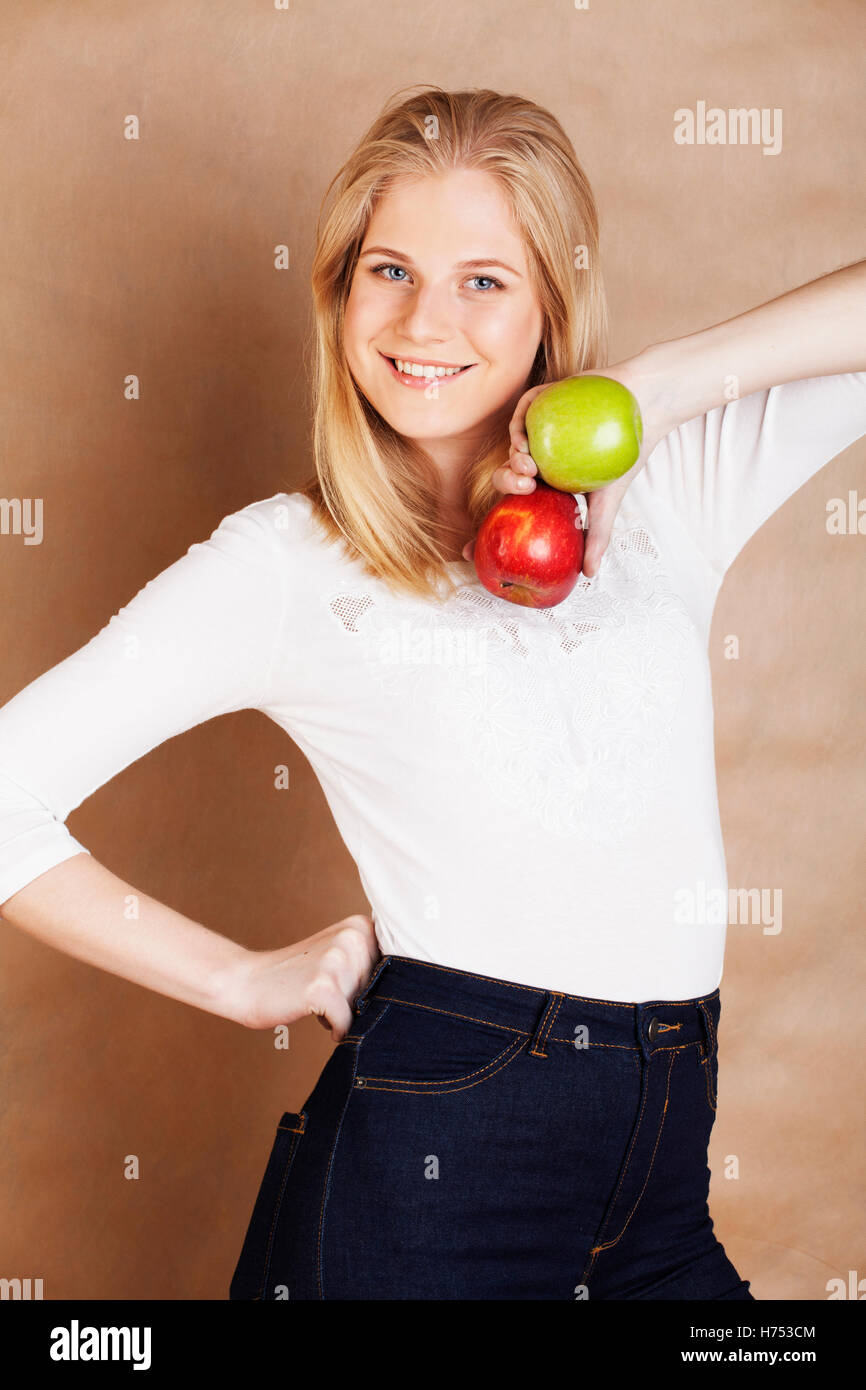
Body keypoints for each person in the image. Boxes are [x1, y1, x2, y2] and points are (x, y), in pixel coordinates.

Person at [0, 85, 863, 1301]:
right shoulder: (288, 565)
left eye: (482, 280)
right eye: (389, 269)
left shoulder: (668, 489)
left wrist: (661, 388)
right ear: (341, 292)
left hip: (658, 1186)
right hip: (426, 1192)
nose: (423, 320)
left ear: (550, 304)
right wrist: (241, 980)